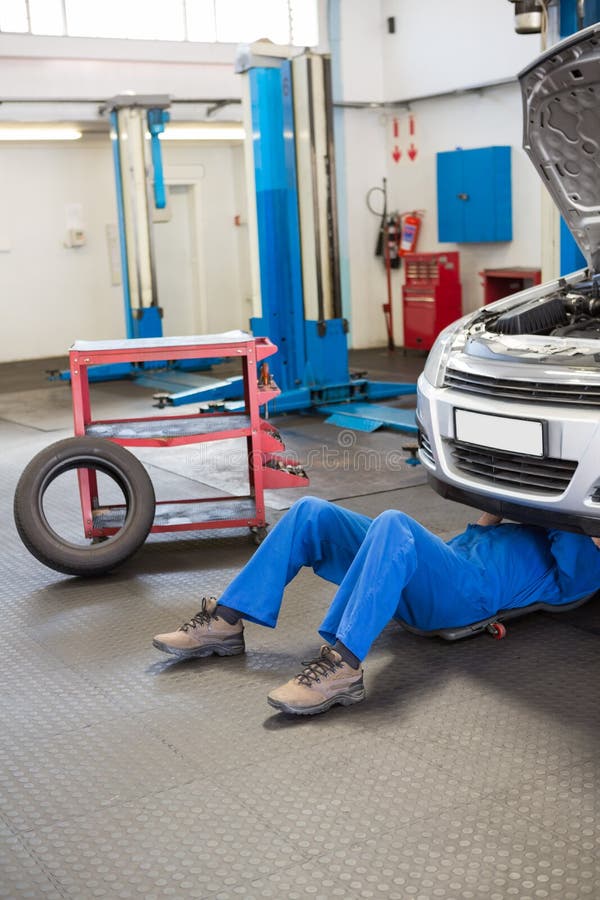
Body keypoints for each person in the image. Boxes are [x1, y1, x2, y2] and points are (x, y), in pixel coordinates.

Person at [153, 496, 600, 716]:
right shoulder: (537, 515)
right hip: (436, 567)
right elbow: (489, 516)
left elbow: (578, 530)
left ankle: (343, 667)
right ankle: (227, 621)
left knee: (394, 524)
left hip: (465, 595)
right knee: (312, 512)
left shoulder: (584, 557)